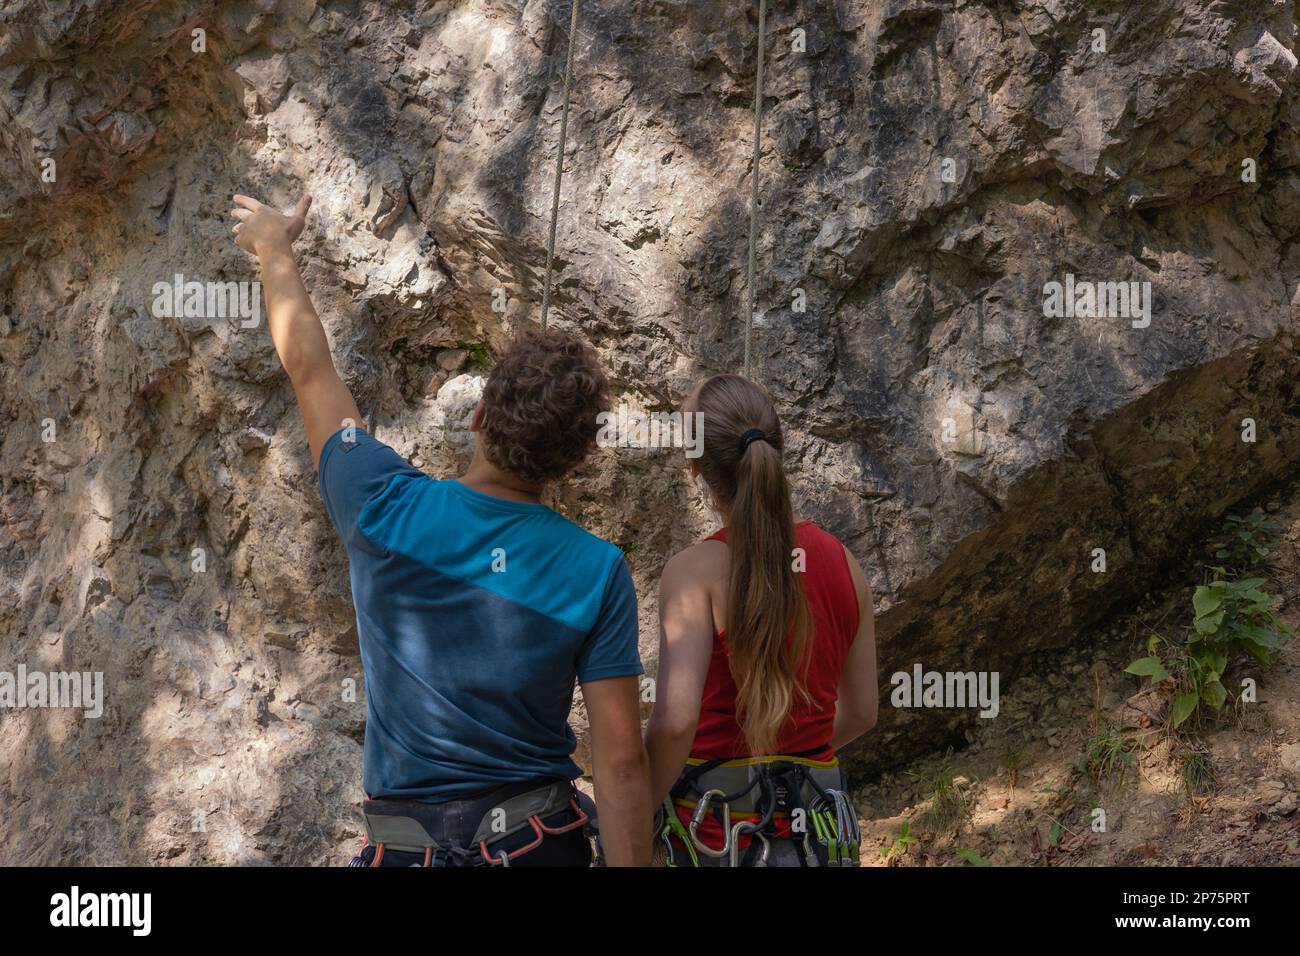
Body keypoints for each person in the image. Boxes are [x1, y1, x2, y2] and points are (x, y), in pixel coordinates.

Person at [229, 192, 653, 867]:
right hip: (537, 846)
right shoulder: (596, 570)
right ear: (572, 461)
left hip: (407, 851)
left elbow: (311, 369)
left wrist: (275, 247)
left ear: (480, 416)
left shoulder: (380, 503)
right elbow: (622, 765)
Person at [643, 373, 877, 866]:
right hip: (817, 838)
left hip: (715, 836)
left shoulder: (693, 573)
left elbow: (675, 723)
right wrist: (790, 757)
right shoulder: (841, 560)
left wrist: (633, 807)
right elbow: (860, 713)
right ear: (778, 448)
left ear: (694, 467)